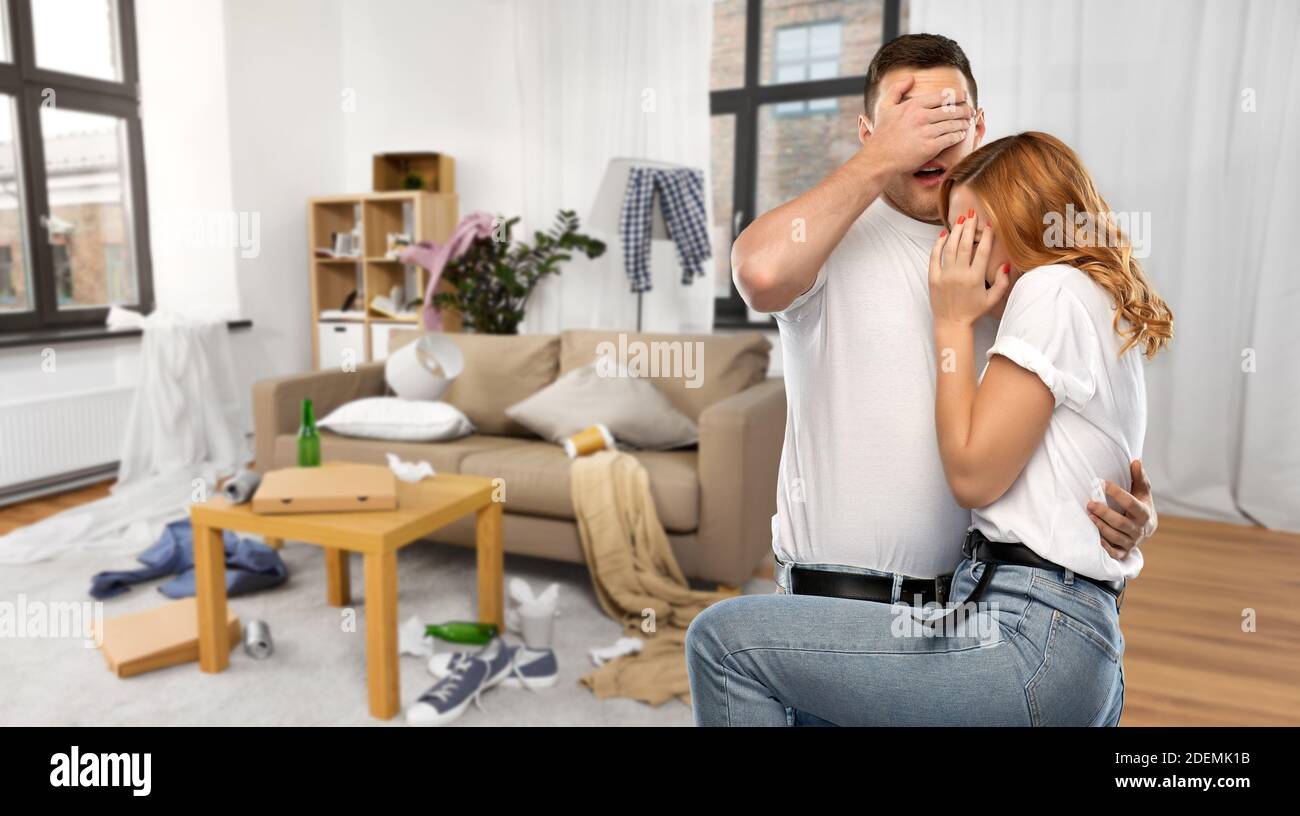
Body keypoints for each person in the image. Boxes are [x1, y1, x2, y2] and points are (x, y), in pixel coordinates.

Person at [685, 34, 1161, 726]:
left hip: (974, 617)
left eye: (948, 114)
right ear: (869, 129)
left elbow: (1076, 435)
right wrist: (882, 159)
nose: (929, 133)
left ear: (980, 127)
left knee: (723, 644)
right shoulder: (831, 235)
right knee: (731, 647)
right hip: (837, 612)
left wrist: (1127, 513)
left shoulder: (1025, 274)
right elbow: (758, 273)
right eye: (907, 113)